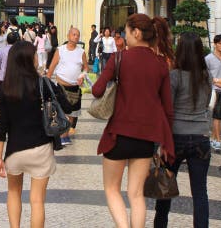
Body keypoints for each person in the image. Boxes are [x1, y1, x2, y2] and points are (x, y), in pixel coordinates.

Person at [92, 13, 174, 228]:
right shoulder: (160, 64)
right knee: (136, 194)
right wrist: (167, 143)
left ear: (136, 33)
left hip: (119, 134)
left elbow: (97, 90)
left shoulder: (119, 58)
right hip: (146, 137)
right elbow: (168, 108)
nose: (125, 37)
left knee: (112, 189)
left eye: (127, 32)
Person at [153, 32, 212, 228]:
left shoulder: (174, 76)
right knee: (200, 192)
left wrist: (161, 142)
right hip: (201, 136)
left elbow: (167, 109)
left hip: (176, 137)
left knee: (165, 186)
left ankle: (160, 224)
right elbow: (206, 103)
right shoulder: (206, 76)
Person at [0, 40, 55, 228]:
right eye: (35, 54)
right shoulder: (42, 84)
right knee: (37, 200)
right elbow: (65, 105)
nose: (38, 57)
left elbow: (2, 123)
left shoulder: (6, 87)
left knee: (13, 193)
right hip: (41, 148)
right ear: (29, 59)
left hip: (15, 150)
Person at [46, 27, 86, 146]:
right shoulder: (60, 50)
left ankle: (66, 134)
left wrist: (82, 76)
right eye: (74, 34)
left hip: (75, 88)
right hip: (61, 86)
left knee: (72, 113)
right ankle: (62, 135)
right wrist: (47, 81)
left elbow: (85, 67)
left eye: (78, 35)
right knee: (62, 112)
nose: (76, 37)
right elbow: (52, 66)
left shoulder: (81, 52)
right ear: (68, 36)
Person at [205, 34, 221, 151]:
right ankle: (218, 140)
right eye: (220, 43)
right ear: (215, 44)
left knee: (219, 116)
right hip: (214, 90)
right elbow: (205, 75)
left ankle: (213, 138)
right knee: (217, 116)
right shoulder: (208, 58)